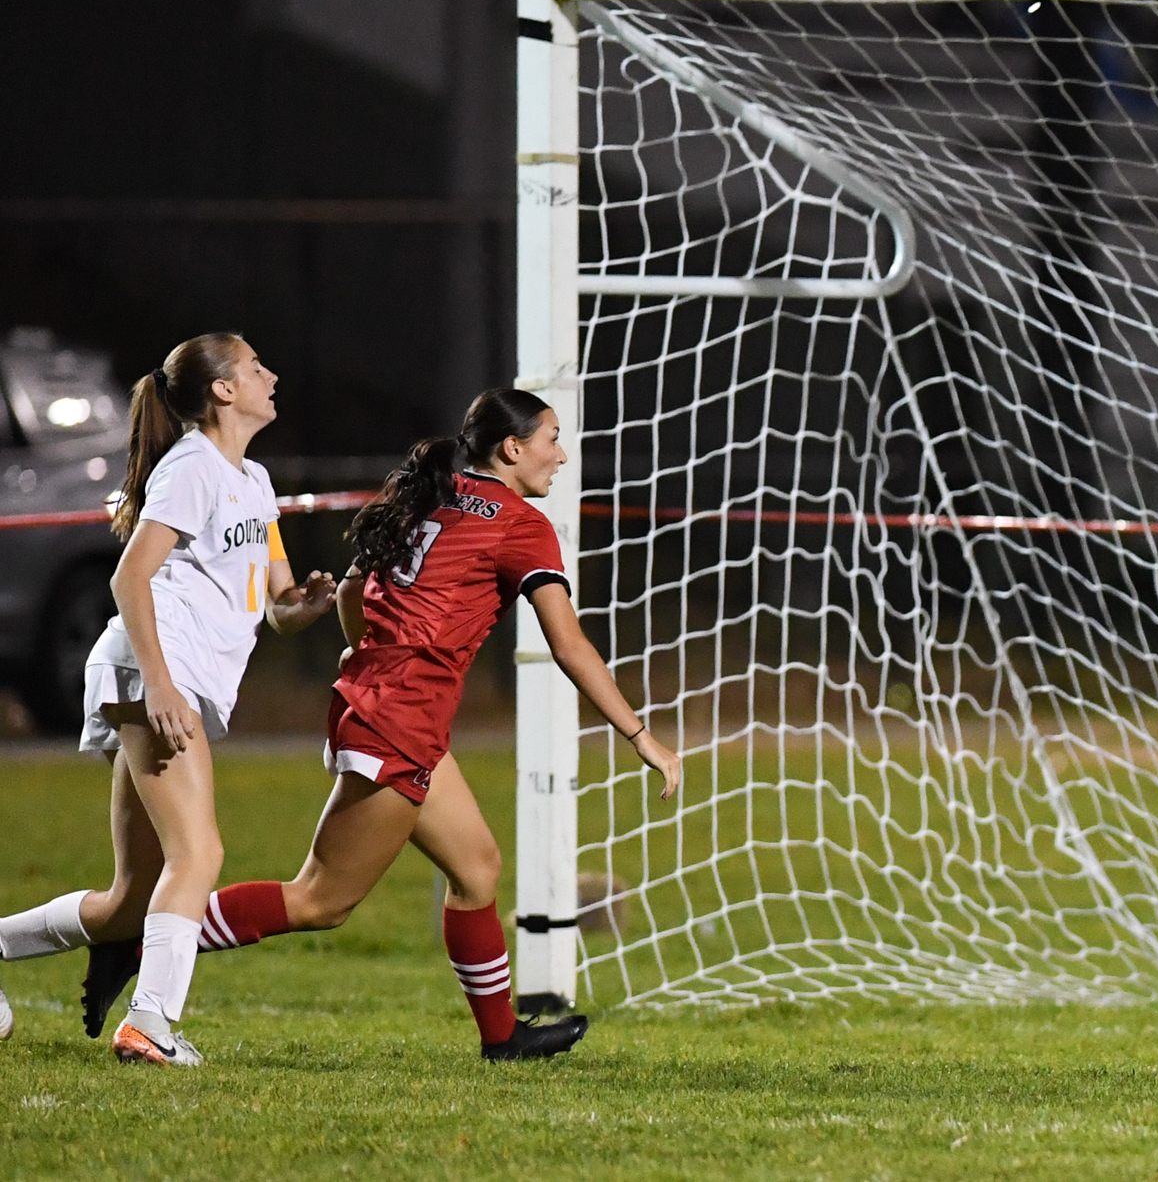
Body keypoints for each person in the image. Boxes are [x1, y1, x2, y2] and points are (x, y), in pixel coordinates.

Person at [192, 387, 680, 1061]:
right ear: (513, 448)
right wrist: (640, 735)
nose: (561, 454)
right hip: (398, 720)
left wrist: (365, 649)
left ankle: (502, 1037)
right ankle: (148, 941)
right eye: (551, 439)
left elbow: (354, 587)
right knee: (319, 900)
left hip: (380, 706)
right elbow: (570, 646)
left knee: (477, 868)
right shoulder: (519, 522)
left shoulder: (433, 489)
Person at [0, 334, 336, 1064]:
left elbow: (275, 603)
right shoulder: (191, 465)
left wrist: (303, 605)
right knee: (200, 851)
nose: (271, 376)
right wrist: (161, 684)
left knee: (130, 897)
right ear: (221, 390)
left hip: (162, 677)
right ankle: (151, 1022)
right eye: (255, 368)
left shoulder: (252, 476)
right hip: (154, 672)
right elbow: (129, 578)